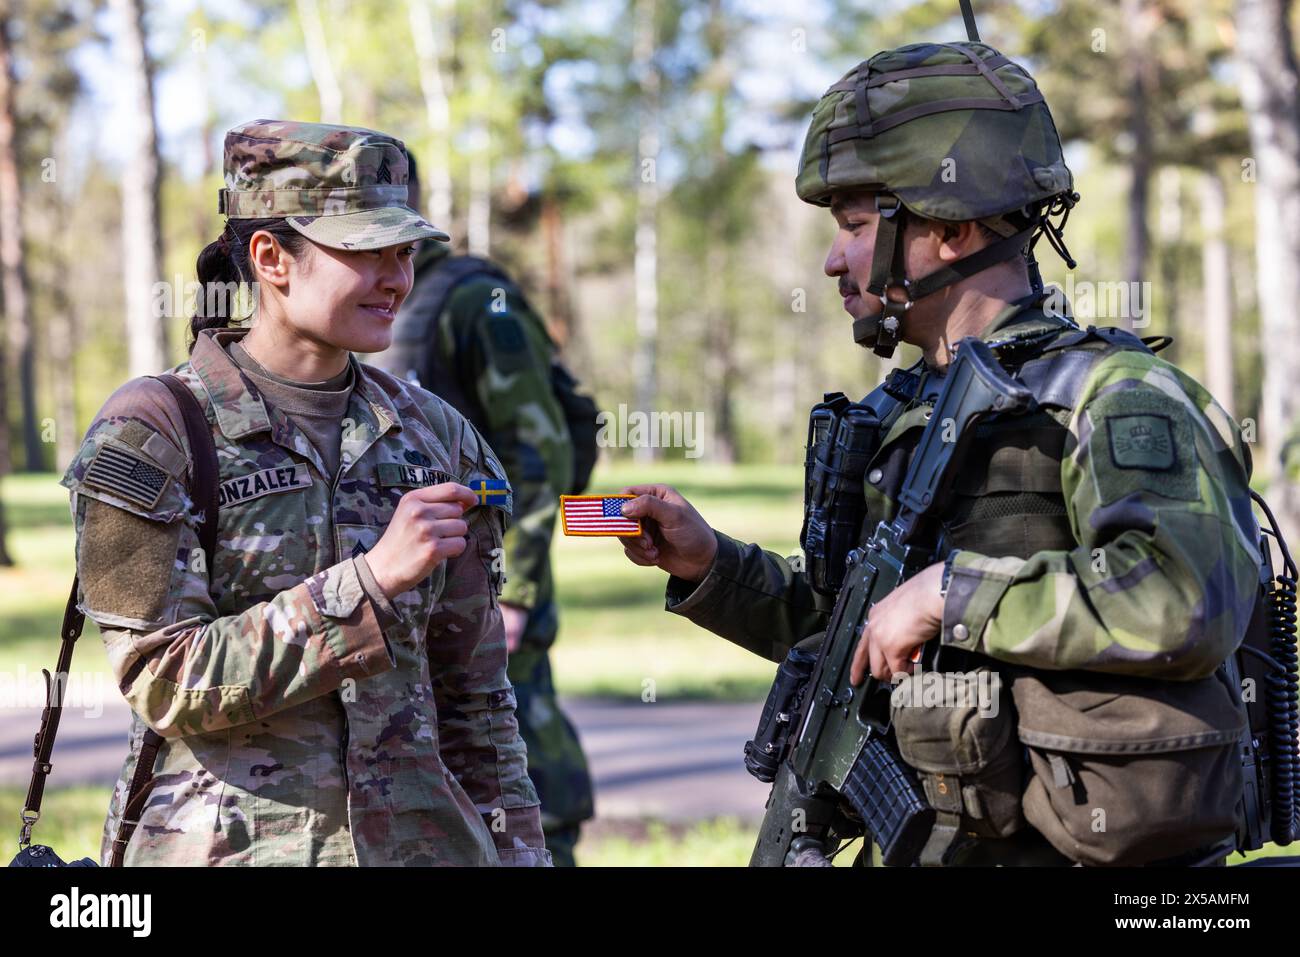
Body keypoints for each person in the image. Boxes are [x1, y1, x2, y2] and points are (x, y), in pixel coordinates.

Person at [617, 41, 1262, 865]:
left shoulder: (1115, 396)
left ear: (952, 228)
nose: (833, 259)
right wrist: (710, 563)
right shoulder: (902, 412)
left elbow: (1185, 598)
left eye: (855, 226)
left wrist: (953, 593)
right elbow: (853, 631)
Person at [62, 119, 550, 866]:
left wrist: (520, 855)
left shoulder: (438, 437)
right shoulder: (152, 433)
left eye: (404, 252)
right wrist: (368, 585)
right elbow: (163, 679)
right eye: (365, 251)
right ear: (271, 258)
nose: (396, 278)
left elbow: (478, 702)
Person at [372, 156, 595, 866]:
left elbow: (540, 452)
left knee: (519, 783)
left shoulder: (475, 301)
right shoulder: (368, 308)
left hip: (490, 586)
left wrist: (517, 591)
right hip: (412, 586)